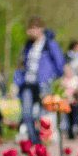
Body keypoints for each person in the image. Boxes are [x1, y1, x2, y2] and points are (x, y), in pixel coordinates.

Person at [14, 16, 65, 144]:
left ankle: (44, 139)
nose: (30, 32)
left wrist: (54, 77)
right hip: (28, 83)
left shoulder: (49, 44)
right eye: (29, 29)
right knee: (26, 113)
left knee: (44, 114)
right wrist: (17, 82)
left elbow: (59, 63)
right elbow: (21, 65)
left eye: (33, 29)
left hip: (44, 83)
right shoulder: (27, 45)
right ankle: (34, 140)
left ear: (40, 29)